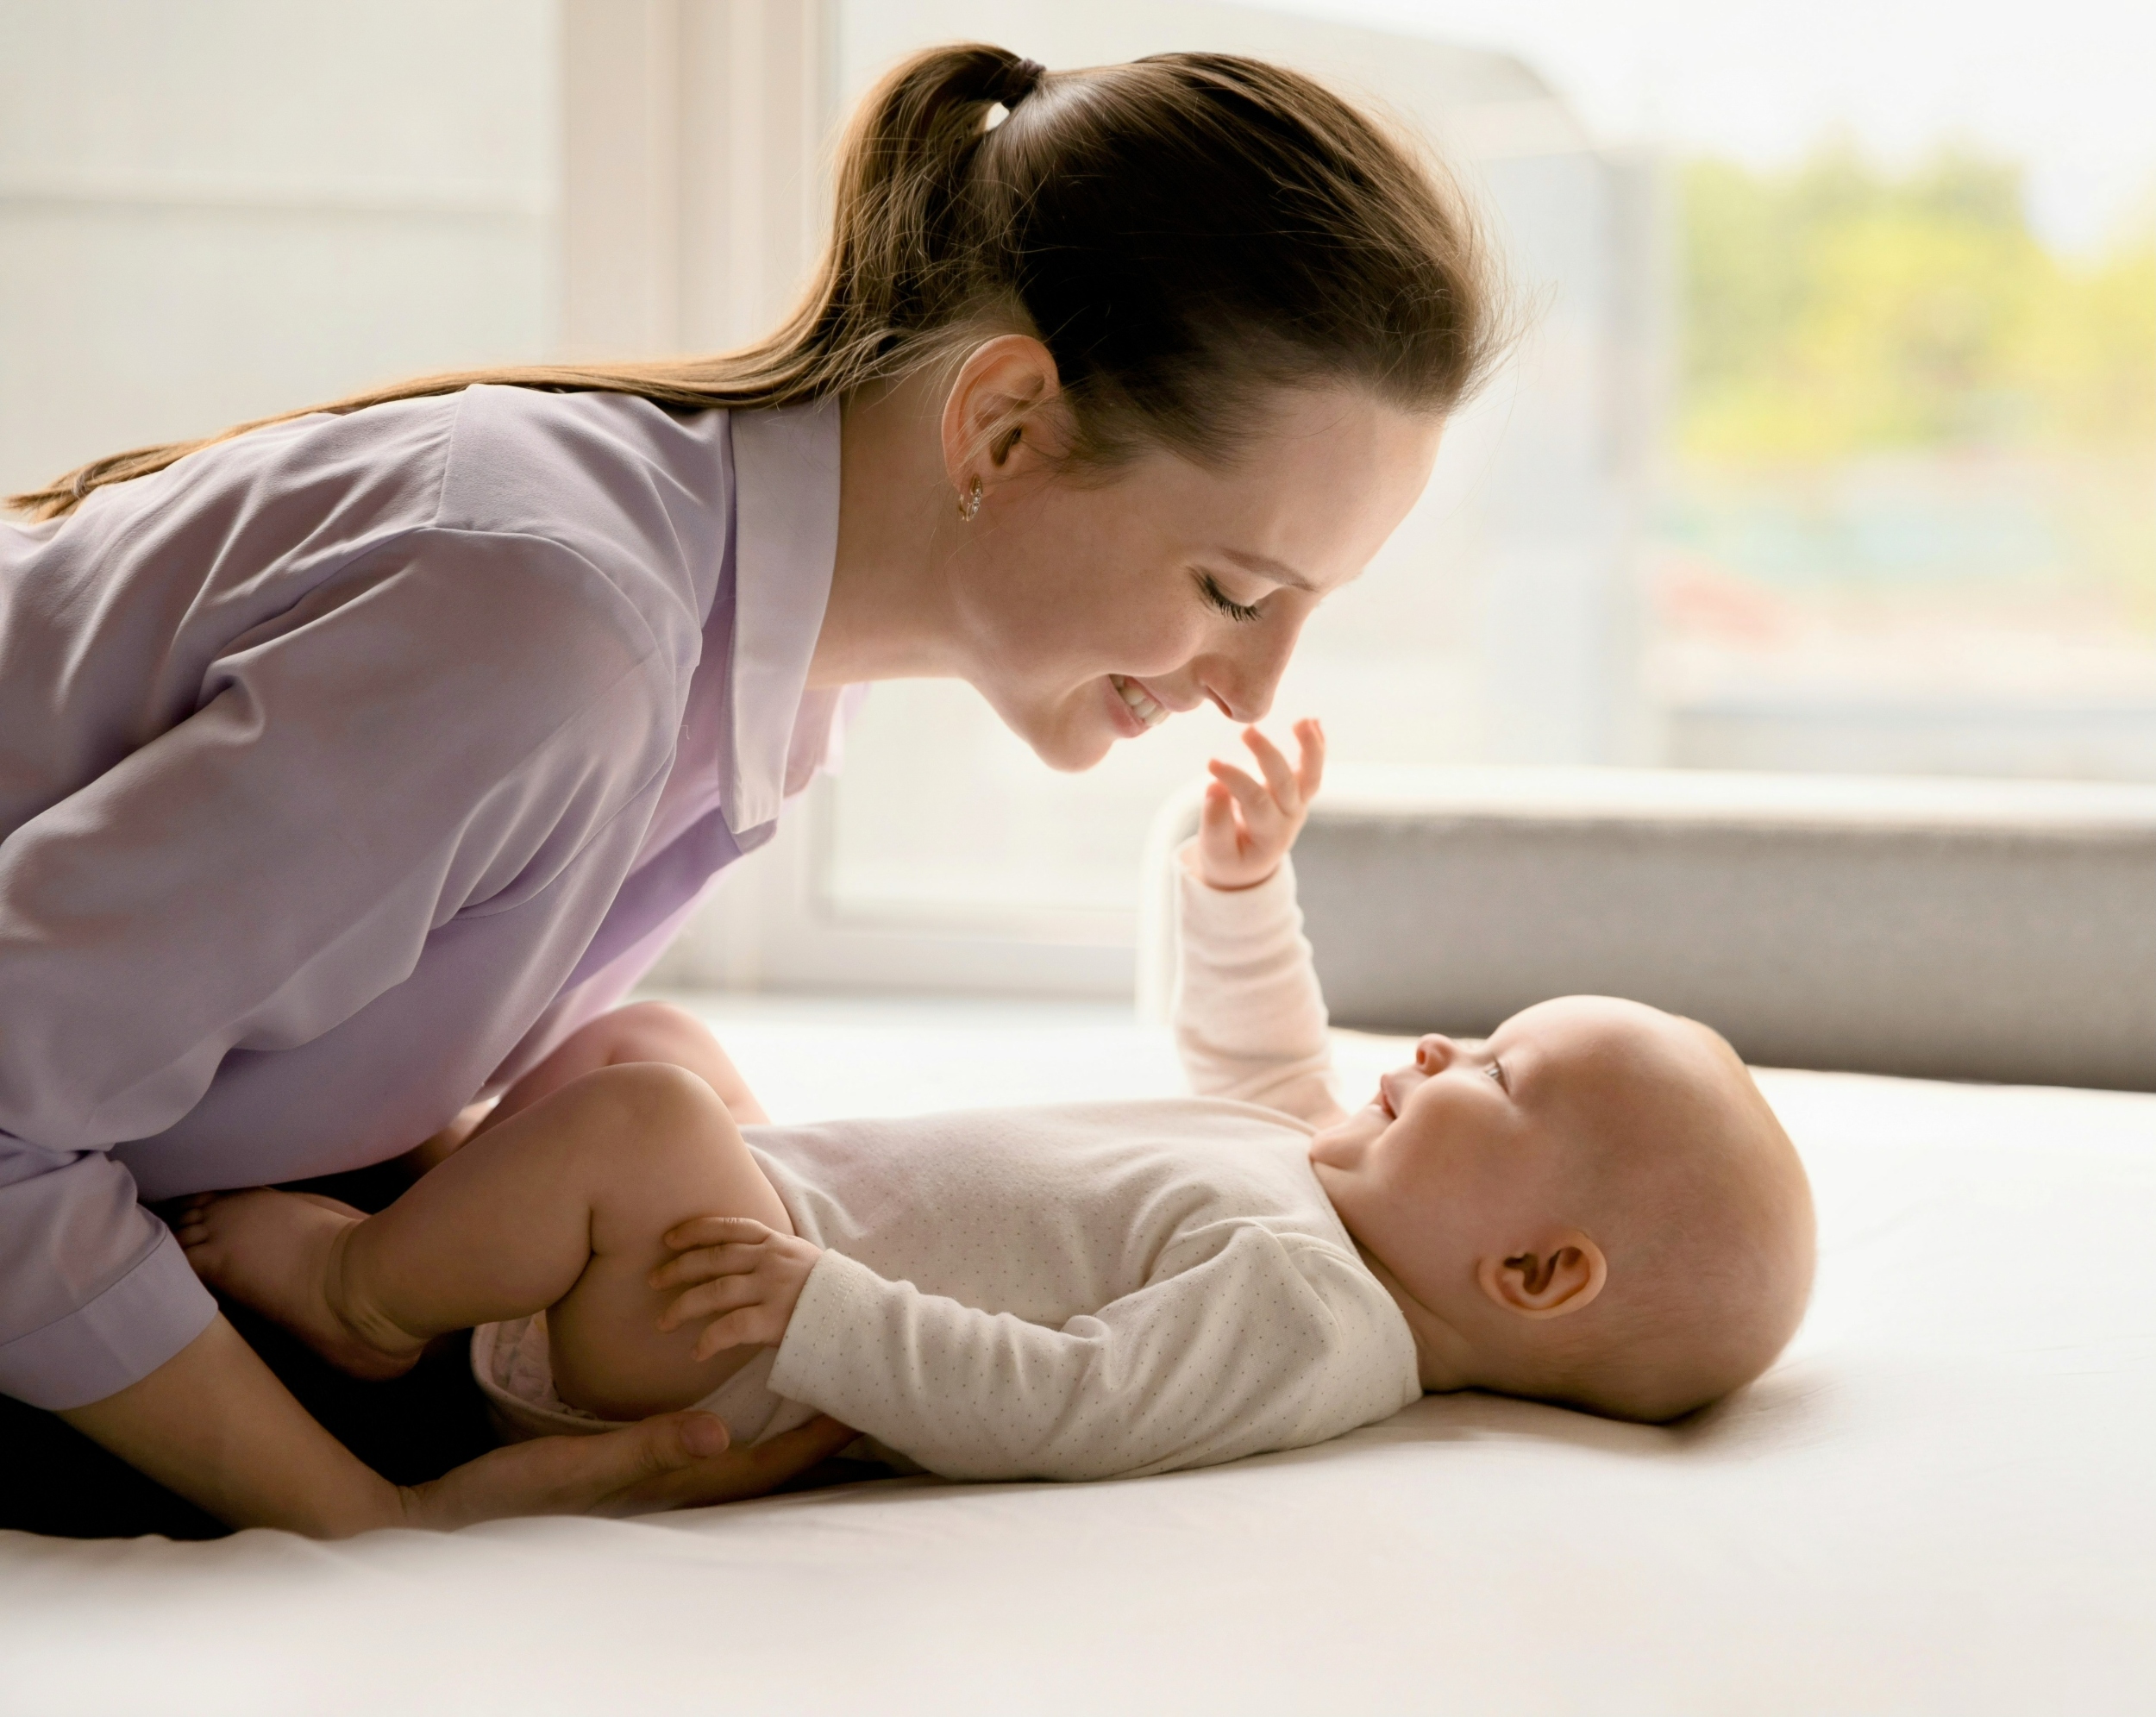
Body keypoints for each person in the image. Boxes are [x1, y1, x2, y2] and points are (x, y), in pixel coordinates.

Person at [0, 45, 1509, 1535]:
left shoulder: (754, 682)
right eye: (1237, 592)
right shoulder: (558, 638)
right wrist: (385, 1520)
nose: (1256, 691)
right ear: (1002, 426)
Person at [175, 722, 1816, 1521]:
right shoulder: (1328, 1179)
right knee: (651, 1043)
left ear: (1535, 1275)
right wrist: (1238, 887)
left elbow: (1064, 1403)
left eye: (1503, 1075)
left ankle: (372, 1298)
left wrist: (827, 1312)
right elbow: (1256, 1059)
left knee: (649, 1117)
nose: (1451, 1045)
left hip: (737, 1337)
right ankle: (481, 1207)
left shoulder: (1313, 1322)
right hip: (768, 1248)